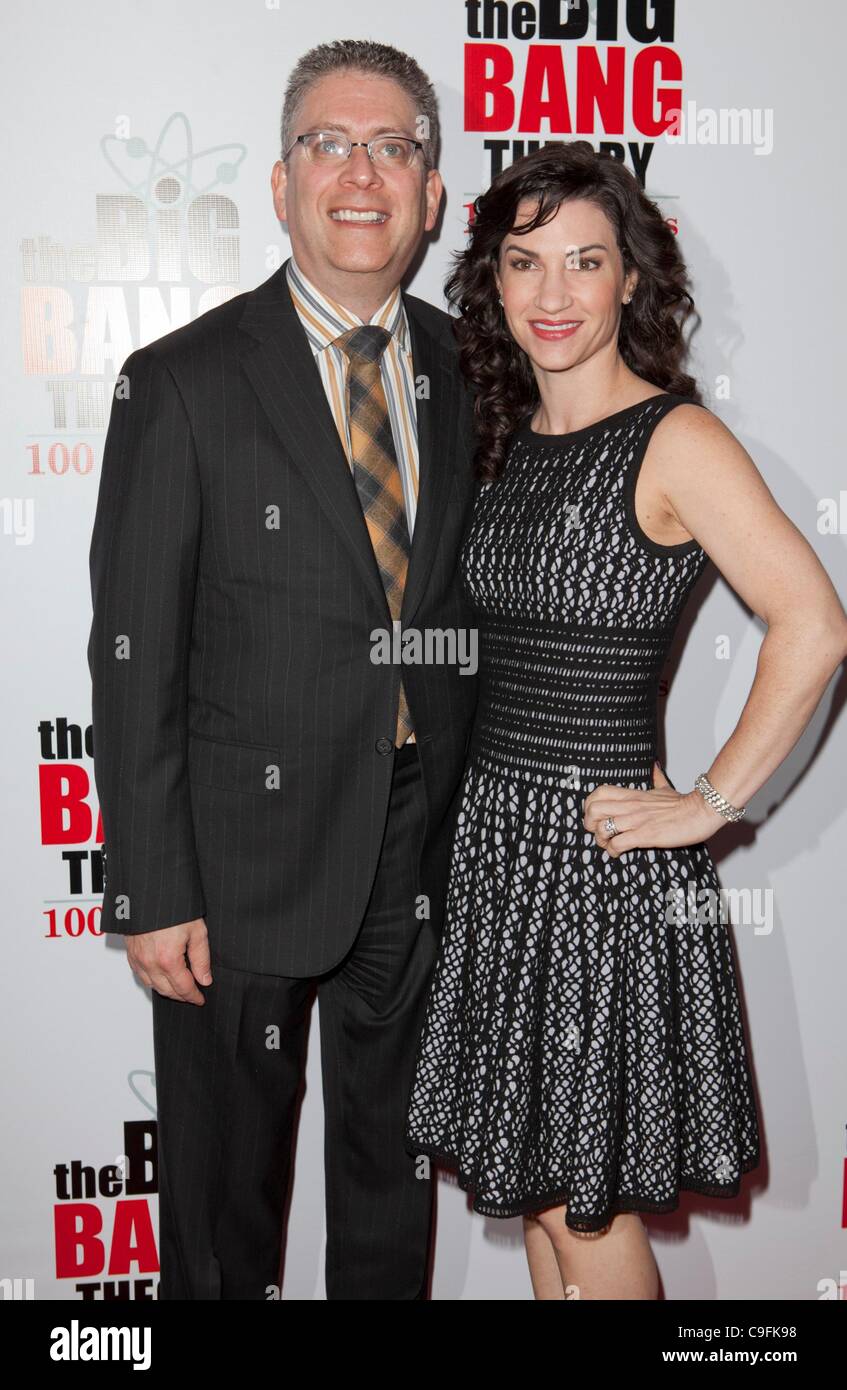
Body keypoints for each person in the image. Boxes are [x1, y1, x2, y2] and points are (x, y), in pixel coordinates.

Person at [404, 140, 847, 1300]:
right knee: (546, 1215)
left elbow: (813, 624)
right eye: (524, 262)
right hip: (500, 851)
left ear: (631, 280)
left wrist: (707, 802)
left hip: (596, 868)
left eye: (585, 263)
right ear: (492, 283)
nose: (554, 295)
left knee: (576, 1205)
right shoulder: (510, 441)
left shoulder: (674, 440)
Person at [87, 39, 479, 1300]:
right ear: (278, 180)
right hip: (232, 869)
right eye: (329, 143)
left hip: (418, 851)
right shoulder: (184, 381)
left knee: (388, 1206)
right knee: (219, 1225)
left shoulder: (474, 372)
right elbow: (130, 648)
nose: (360, 172)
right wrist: (149, 885)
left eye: (394, 148)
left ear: (430, 193)